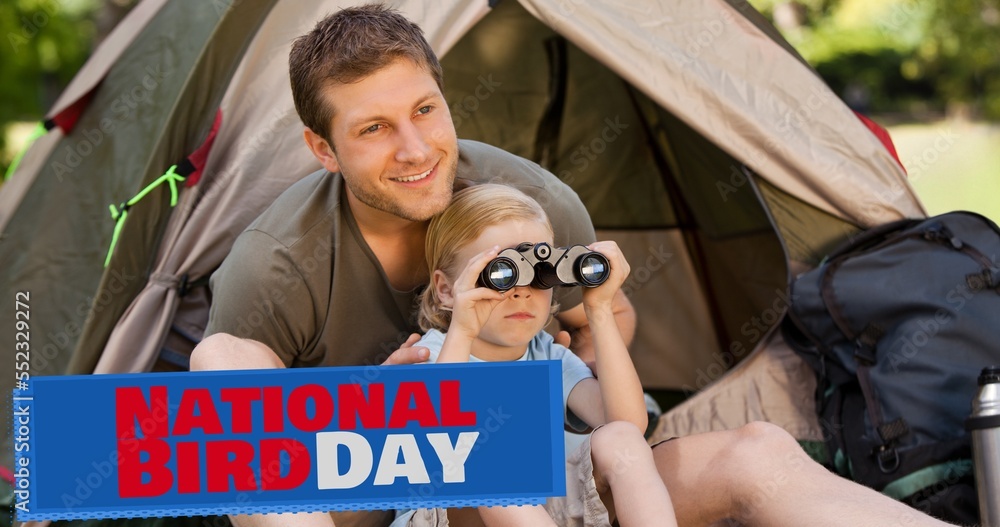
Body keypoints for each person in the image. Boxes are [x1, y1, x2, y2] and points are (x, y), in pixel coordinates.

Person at [192, 4, 958, 527]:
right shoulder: (277, 265)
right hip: (387, 494)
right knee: (220, 356)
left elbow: (598, 353)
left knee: (759, 451)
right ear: (324, 150)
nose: (418, 149)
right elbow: (242, 458)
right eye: (374, 129)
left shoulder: (529, 202)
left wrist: (598, 318)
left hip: (550, 483)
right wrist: (381, 404)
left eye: (426, 110)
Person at [389, 184, 676, 527]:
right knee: (490, 460)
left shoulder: (547, 355)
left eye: (539, 275)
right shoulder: (426, 355)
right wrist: (463, 331)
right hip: (448, 515)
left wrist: (599, 309)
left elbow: (628, 423)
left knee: (622, 438)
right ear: (447, 289)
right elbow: (438, 440)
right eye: (500, 274)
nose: (521, 292)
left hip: (543, 513)